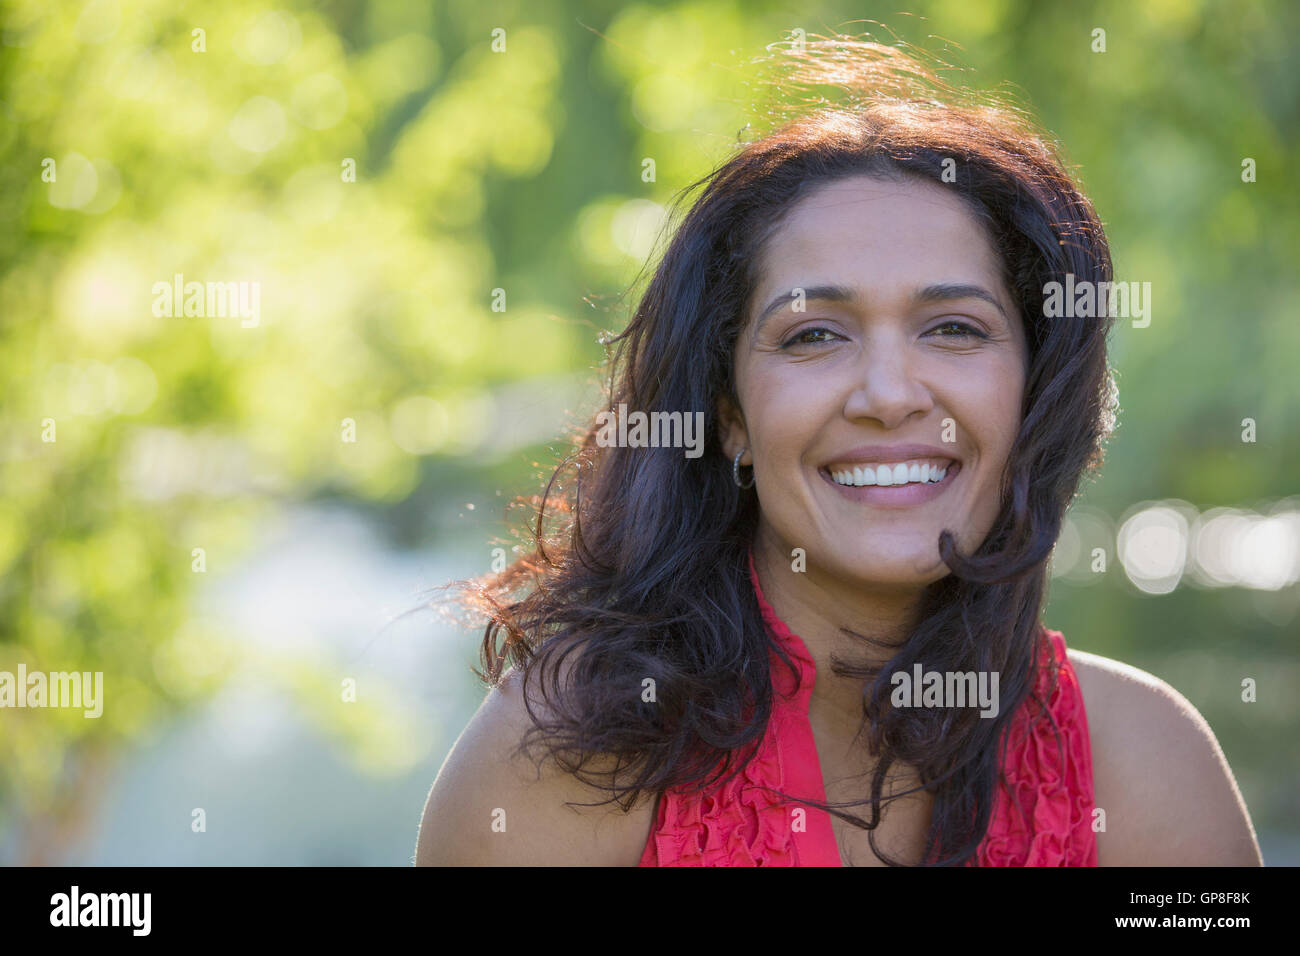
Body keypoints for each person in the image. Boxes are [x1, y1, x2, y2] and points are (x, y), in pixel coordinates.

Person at [415, 37, 1262, 866]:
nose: (890, 394)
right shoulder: (565, 761)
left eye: (955, 329)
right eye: (814, 335)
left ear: (1033, 392)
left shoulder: (1148, 769)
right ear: (730, 412)